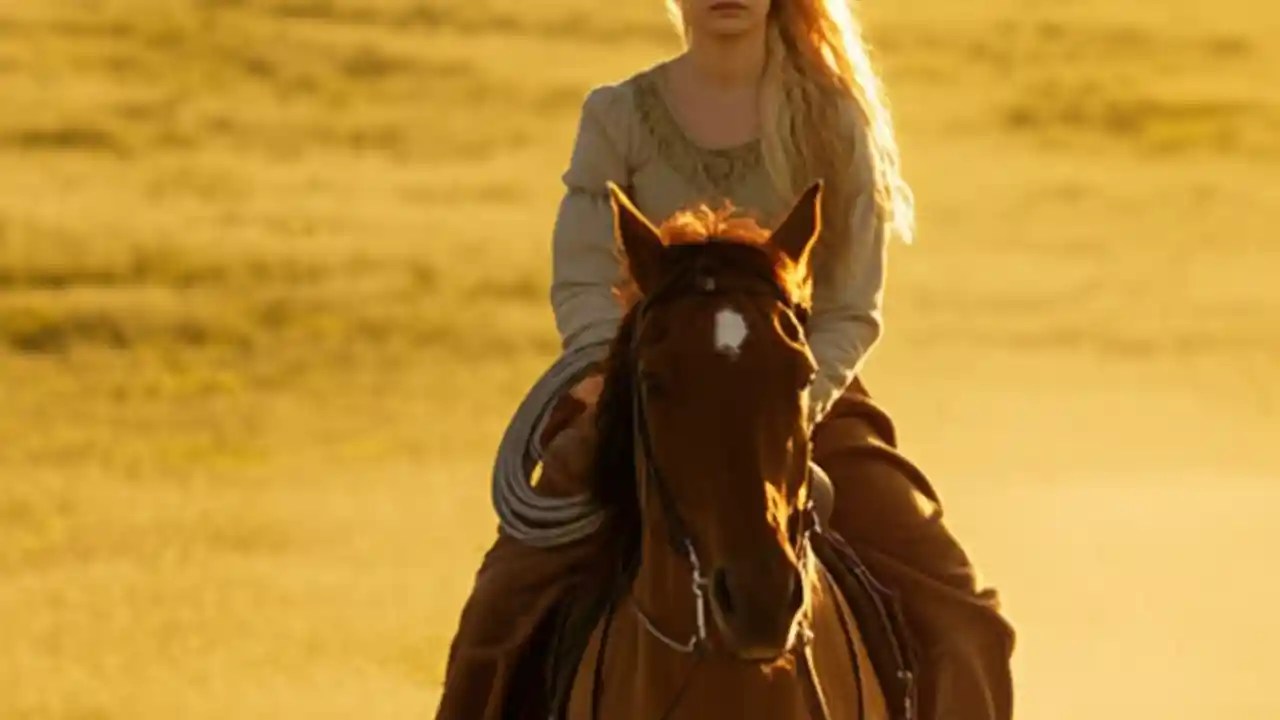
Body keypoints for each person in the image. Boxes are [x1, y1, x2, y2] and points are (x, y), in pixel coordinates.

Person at [436, 1, 1015, 718]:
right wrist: (603, 373)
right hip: (650, 398)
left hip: (800, 401)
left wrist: (788, 405)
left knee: (963, 617)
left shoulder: (834, 121)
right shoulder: (617, 115)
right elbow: (585, 275)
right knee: (497, 613)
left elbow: (850, 308)